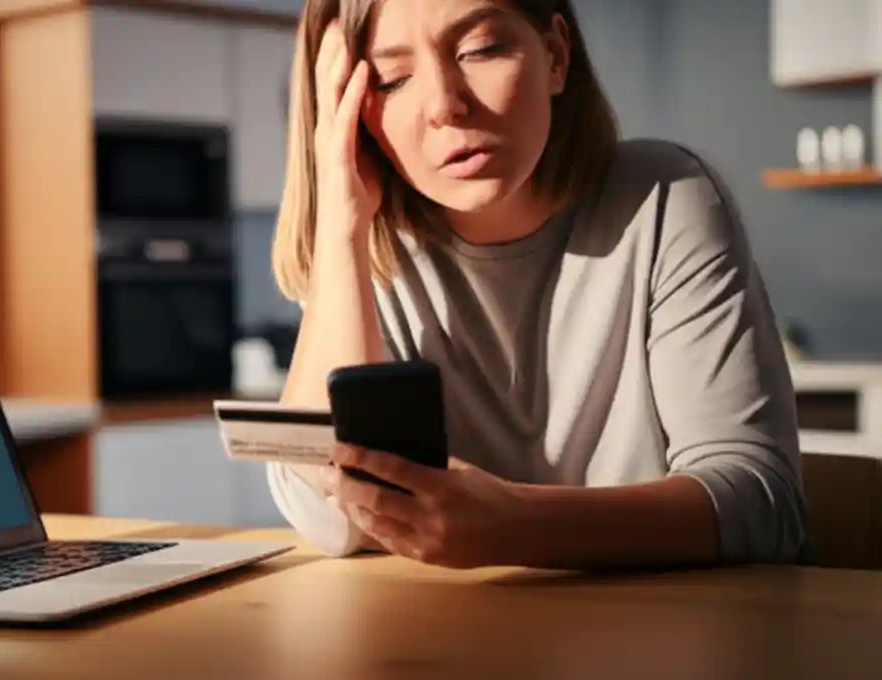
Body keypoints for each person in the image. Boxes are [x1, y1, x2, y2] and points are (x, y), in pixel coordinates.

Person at [267, 0, 808, 568]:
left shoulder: (662, 196)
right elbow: (329, 516)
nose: (446, 107)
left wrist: (514, 526)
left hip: (679, 632)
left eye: (479, 50)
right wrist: (338, 222)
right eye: (392, 79)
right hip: (469, 642)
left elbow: (760, 504)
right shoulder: (370, 251)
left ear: (555, 54)